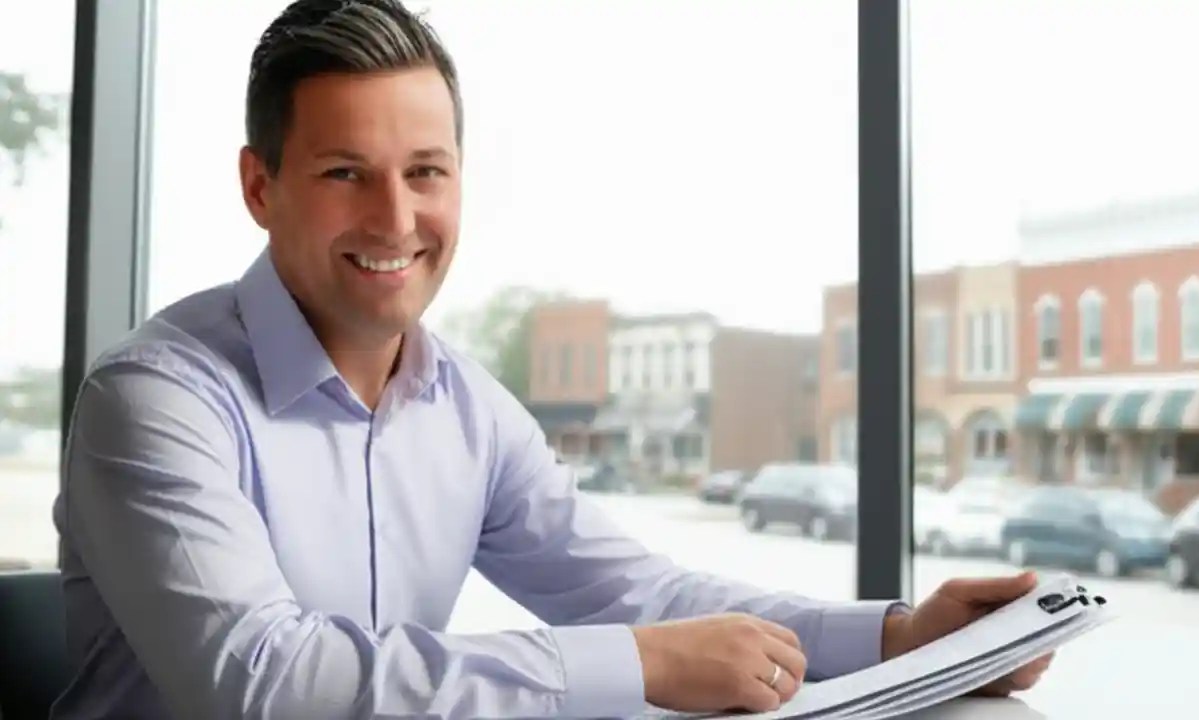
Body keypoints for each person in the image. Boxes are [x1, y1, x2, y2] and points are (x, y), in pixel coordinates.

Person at [49, 1, 1052, 718]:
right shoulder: (153, 402)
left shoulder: (466, 410)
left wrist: (900, 636)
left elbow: (641, 595)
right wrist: (633, 668)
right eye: (345, 173)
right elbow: (264, 685)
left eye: (425, 173)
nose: (396, 219)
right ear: (259, 187)